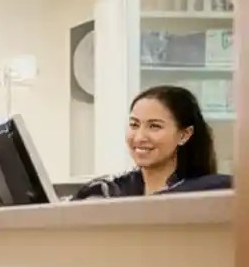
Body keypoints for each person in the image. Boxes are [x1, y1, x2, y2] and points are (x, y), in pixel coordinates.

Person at [72, 85, 232, 200]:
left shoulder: (215, 193)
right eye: (134, 125)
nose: (140, 137)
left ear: (184, 135)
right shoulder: (103, 191)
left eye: (154, 126)